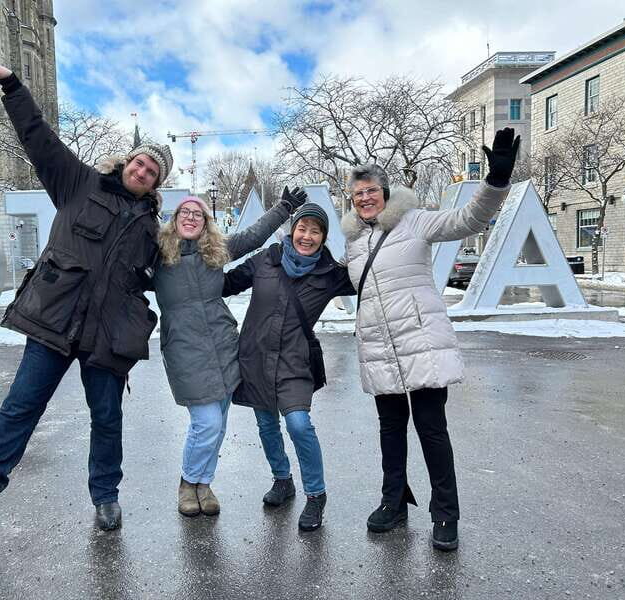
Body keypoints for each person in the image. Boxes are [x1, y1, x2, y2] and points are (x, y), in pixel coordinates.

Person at [0, 62, 173, 534]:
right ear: (126, 162)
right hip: (54, 323)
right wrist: (12, 85)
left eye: (152, 170)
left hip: (106, 338)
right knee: (19, 408)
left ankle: (105, 498)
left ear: (156, 184)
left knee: (107, 418)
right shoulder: (77, 182)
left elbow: (182, 272)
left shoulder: (153, 230)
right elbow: (37, 136)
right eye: (139, 162)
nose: (142, 170)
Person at [341, 127, 520, 551]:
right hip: (380, 348)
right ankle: (394, 502)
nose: (365, 198)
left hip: (421, 343)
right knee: (390, 432)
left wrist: (495, 183)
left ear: (385, 192)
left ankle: (446, 515)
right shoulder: (353, 243)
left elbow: (468, 219)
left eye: (371, 191)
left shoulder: (415, 221)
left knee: (432, 431)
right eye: (357, 194)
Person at [153, 188, 307, 517]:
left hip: (224, 344)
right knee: (205, 422)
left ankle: (203, 484)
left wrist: (284, 208)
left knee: (218, 423)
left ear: (206, 222)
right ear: (174, 220)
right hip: (185, 348)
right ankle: (188, 482)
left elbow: (253, 236)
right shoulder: (158, 254)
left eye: (198, 214)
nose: (191, 218)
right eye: (185, 213)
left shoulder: (215, 251)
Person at [222, 203, 356, 531]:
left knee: (298, 424)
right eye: (302, 228)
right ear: (292, 229)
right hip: (254, 357)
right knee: (267, 425)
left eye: (315, 231)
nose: (307, 236)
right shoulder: (266, 261)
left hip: (295, 362)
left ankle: (315, 495)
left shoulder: (329, 274)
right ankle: (282, 480)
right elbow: (224, 285)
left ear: (324, 237)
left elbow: (372, 275)